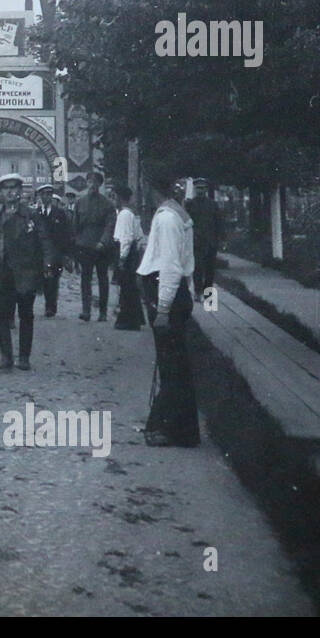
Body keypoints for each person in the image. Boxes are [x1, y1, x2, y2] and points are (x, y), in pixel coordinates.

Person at [137, 171, 199, 446]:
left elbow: (171, 267)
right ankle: (173, 426)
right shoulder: (176, 212)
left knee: (172, 367)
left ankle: (172, 430)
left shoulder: (166, 218)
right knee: (173, 365)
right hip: (174, 294)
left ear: (149, 188)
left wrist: (162, 309)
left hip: (167, 295)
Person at [0, 173, 51, 370]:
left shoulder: (31, 215)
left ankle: (24, 357)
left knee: (26, 315)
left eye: (15, 187)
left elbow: (44, 241)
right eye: (6, 188)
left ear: (21, 191)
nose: (11, 191)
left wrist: (47, 265)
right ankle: (6, 356)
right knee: (1, 316)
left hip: (24, 273)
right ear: (1, 192)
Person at [73, 171, 116, 323]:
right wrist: (76, 245)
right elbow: (75, 226)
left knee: (102, 278)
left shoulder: (108, 204)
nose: (92, 185)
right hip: (84, 245)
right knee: (85, 279)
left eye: (95, 182)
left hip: (101, 247)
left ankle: (103, 312)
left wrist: (103, 242)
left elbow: (110, 226)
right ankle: (86, 311)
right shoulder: (80, 202)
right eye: (90, 182)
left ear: (100, 184)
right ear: (86, 184)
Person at [34, 183, 72, 317]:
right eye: (43, 194)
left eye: (49, 194)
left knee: (53, 279)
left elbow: (66, 234)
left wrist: (66, 253)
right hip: (39, 251)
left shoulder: (59, 213)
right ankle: (47, 303)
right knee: (42, 278)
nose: (46, 197)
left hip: (56, 251)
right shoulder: (35, 213)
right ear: (39, 196)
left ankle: (50, 306)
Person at [112, 185, 146, 330]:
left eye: (114, 197)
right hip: (131, 252)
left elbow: (126, 238)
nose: (113, 200)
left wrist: (121, 258)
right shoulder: (129, 213)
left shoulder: (124, 215)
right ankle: (134, 318)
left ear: (119, 198)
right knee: (129, 287)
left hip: (126, 253)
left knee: (127, 288)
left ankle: (129, 320)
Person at [185, 177, 222, 299]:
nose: (201, 190)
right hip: (196, 242)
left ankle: (208, 294)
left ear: (206, 189)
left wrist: (221, 239)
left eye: (203, 188)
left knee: (210, 269)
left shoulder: (213, 205)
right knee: (197, 268)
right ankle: (197, 292)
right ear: (195, 189)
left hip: (211, 241)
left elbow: (219, 223)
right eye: (198, 188)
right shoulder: (190, 204)